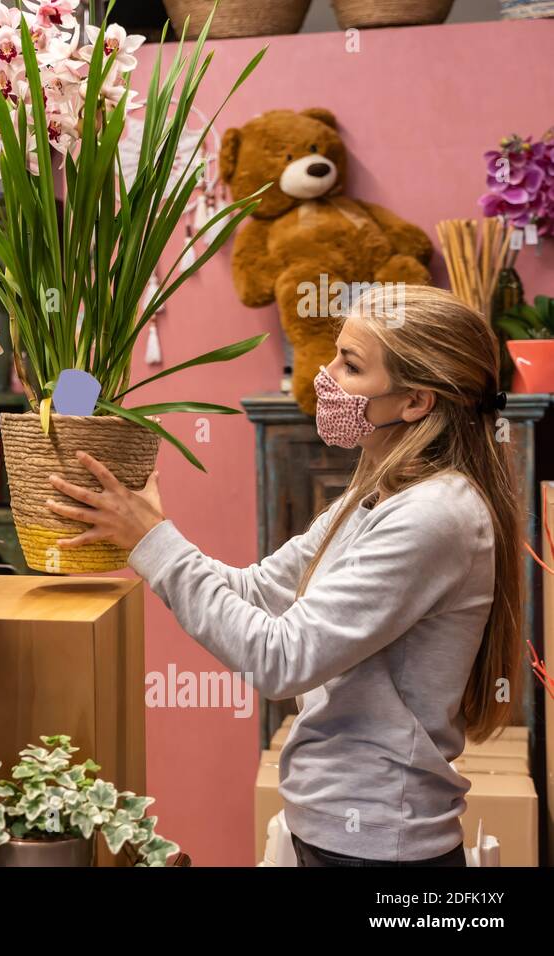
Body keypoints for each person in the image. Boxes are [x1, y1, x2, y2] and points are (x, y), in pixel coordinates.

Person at [47, 285, 521, 867]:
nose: (325, 377)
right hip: (332, 830)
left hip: (377, 846)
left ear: (415, 402)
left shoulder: (434, 516)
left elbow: (280, 658)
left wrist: (153, 542)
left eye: (350, 365)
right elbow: (259, 591)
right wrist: (147, 529)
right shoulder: (375, 494)